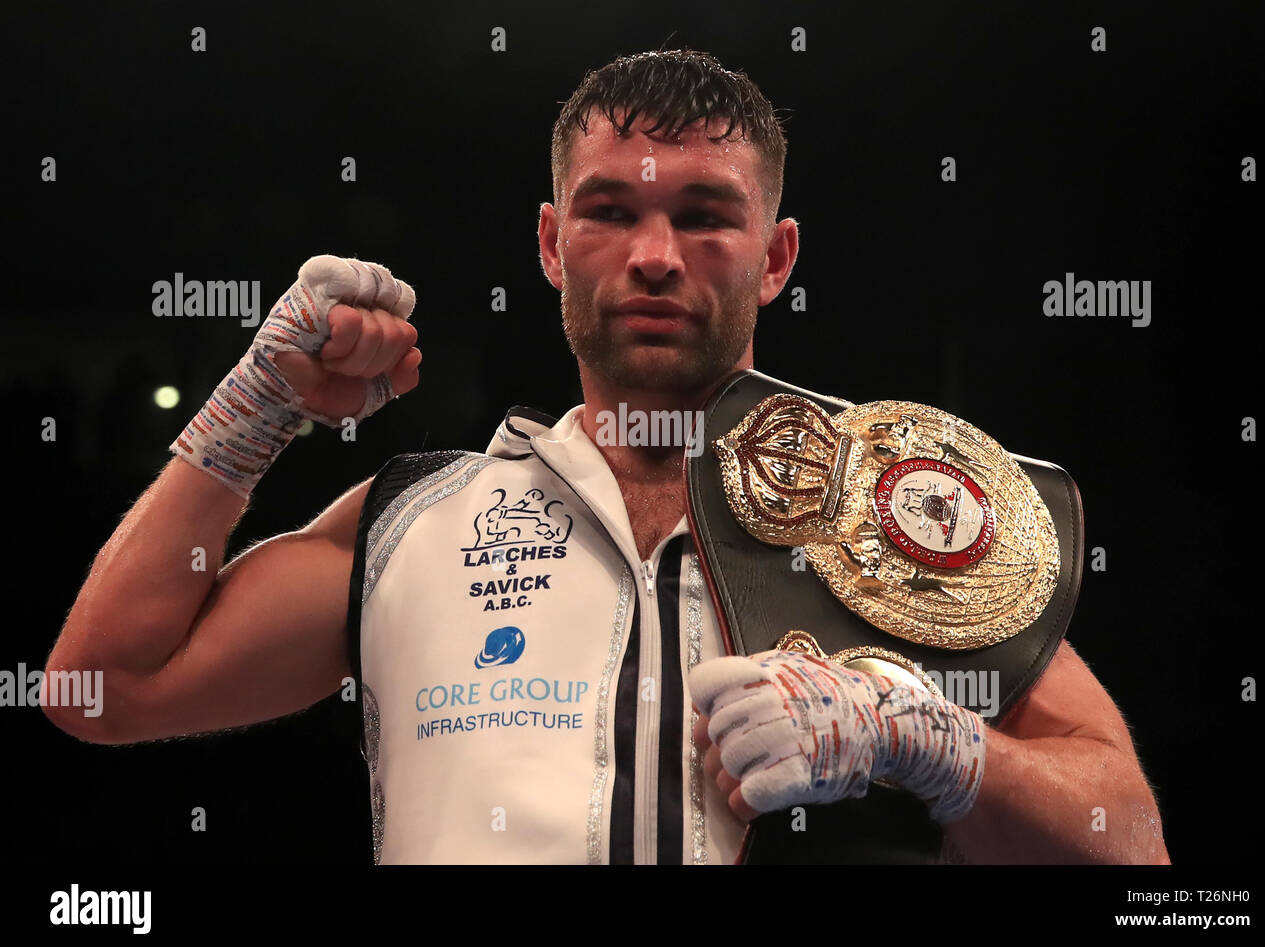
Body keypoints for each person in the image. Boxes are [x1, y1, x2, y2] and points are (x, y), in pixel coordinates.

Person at [43, 48, 1170, 865]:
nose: (653, 257)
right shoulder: (409, 519)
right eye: (608, 212)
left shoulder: (888, 513)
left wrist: (929, 740)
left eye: (703, 215)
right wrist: (256, 409)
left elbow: (1130, 846)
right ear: (549, 243)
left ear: (775, 258)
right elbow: (103, 690)